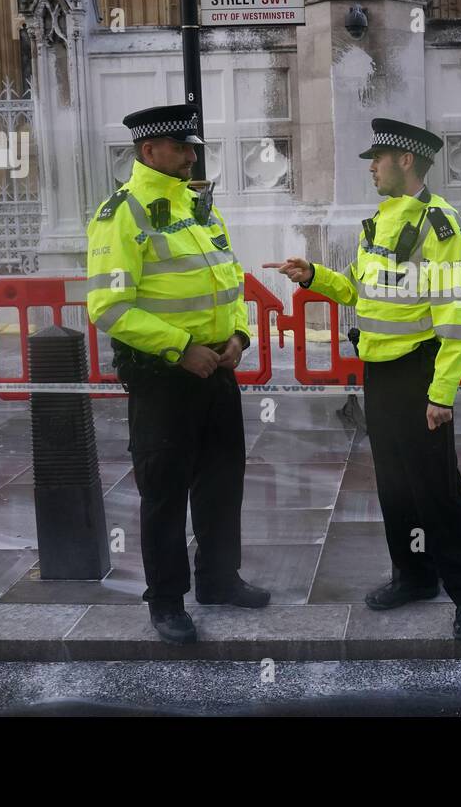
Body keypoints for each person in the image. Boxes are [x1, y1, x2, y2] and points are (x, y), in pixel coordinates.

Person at [265, 118, 461, 640]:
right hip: (380, 375)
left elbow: (457, 315)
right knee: (395, 486)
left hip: (419, 372)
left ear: (405, 161)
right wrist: (315, 277)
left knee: (437, 490)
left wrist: (441, 393)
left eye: (377, 159)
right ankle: (413, 575)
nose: (371, 166)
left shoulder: (440, 225)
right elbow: (362, 295)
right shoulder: (380, 222)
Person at [85, 104, 269, 645]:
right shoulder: (121, 213)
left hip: (217, 367)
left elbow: (229, 281)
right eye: (182, 148)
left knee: (222, 482)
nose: (192, 156)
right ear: (148, 152)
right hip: (164, 376)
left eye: (192, 148)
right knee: (164, 493)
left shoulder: (200, 208)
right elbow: (108, 306)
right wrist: (181, 348)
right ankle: (166, 600)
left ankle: (218, 579)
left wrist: (239, 336)